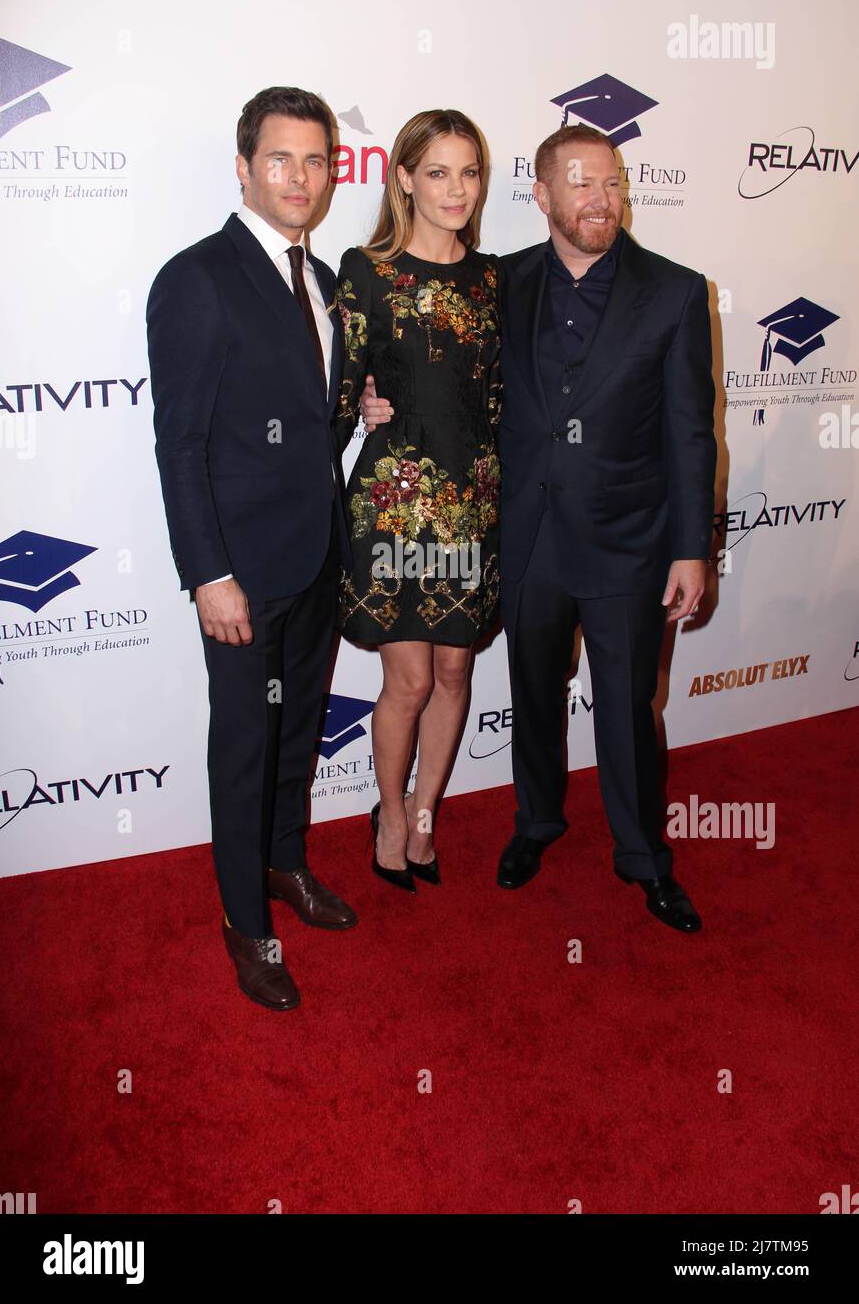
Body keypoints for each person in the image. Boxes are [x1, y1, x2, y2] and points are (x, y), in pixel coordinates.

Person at [361, 123, 716, 933]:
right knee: (533, 695)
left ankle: (644, 859)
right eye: (582, 184)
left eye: (614, 183)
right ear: (543, 195)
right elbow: (432, 359)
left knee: (627, 704)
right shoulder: (500, 283)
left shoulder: (675, 291)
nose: (601, 199)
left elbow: (693, 432)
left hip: (630, 540)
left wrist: (692, 547)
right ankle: (537, 824)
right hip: (524, 534)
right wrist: (379, 397)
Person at [147, 86, 357, 1011]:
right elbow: (180, 443)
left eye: (316, 160)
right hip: (241, 572)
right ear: (244, 167)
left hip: (316, 556)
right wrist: (208, 575)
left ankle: (284, 866)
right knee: (243, 746)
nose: (300, 178)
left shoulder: (323, 280)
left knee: (297, 731)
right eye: (281, 159)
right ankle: (246, 922)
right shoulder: (196, 278)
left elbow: (309, 414)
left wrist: (356, 412)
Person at [333, 109, 501, 891]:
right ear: (403, 177)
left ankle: (427, 810)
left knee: (457, 673)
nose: (456, 189)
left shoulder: (494, 279)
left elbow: (500, 399)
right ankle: (389, 811)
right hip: (394, 504)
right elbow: (339, 396)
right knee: (410, 680)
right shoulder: (367, 270)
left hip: (469, 504)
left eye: (468, 172)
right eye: (438, 171)